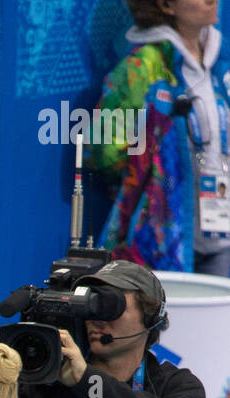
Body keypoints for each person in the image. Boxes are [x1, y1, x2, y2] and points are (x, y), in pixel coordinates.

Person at [0, 260, 207, 398]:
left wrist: (86, 380)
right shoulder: (47, 387)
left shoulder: (174, 384)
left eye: (109, 304)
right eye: (91, 303)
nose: (96, 316)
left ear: (150, 317)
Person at [91, 0, 230, 275]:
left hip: (221, 233)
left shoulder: (221, 66)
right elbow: (106, 152)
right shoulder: (141, 68)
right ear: (166, 5)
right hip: (162, 240)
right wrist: (159, 176)